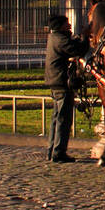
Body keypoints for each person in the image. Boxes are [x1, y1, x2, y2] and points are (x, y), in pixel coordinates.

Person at [45, 14, 89, 163]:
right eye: (67, 24)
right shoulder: (60, 39)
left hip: (54, 82)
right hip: (62, 83)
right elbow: (78, 50)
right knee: (63, 119)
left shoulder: (54, 38)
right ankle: (59, 152)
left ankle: (52, 150)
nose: (69, 26)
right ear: (60, 26)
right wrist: (85, 37)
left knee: (56, 119)